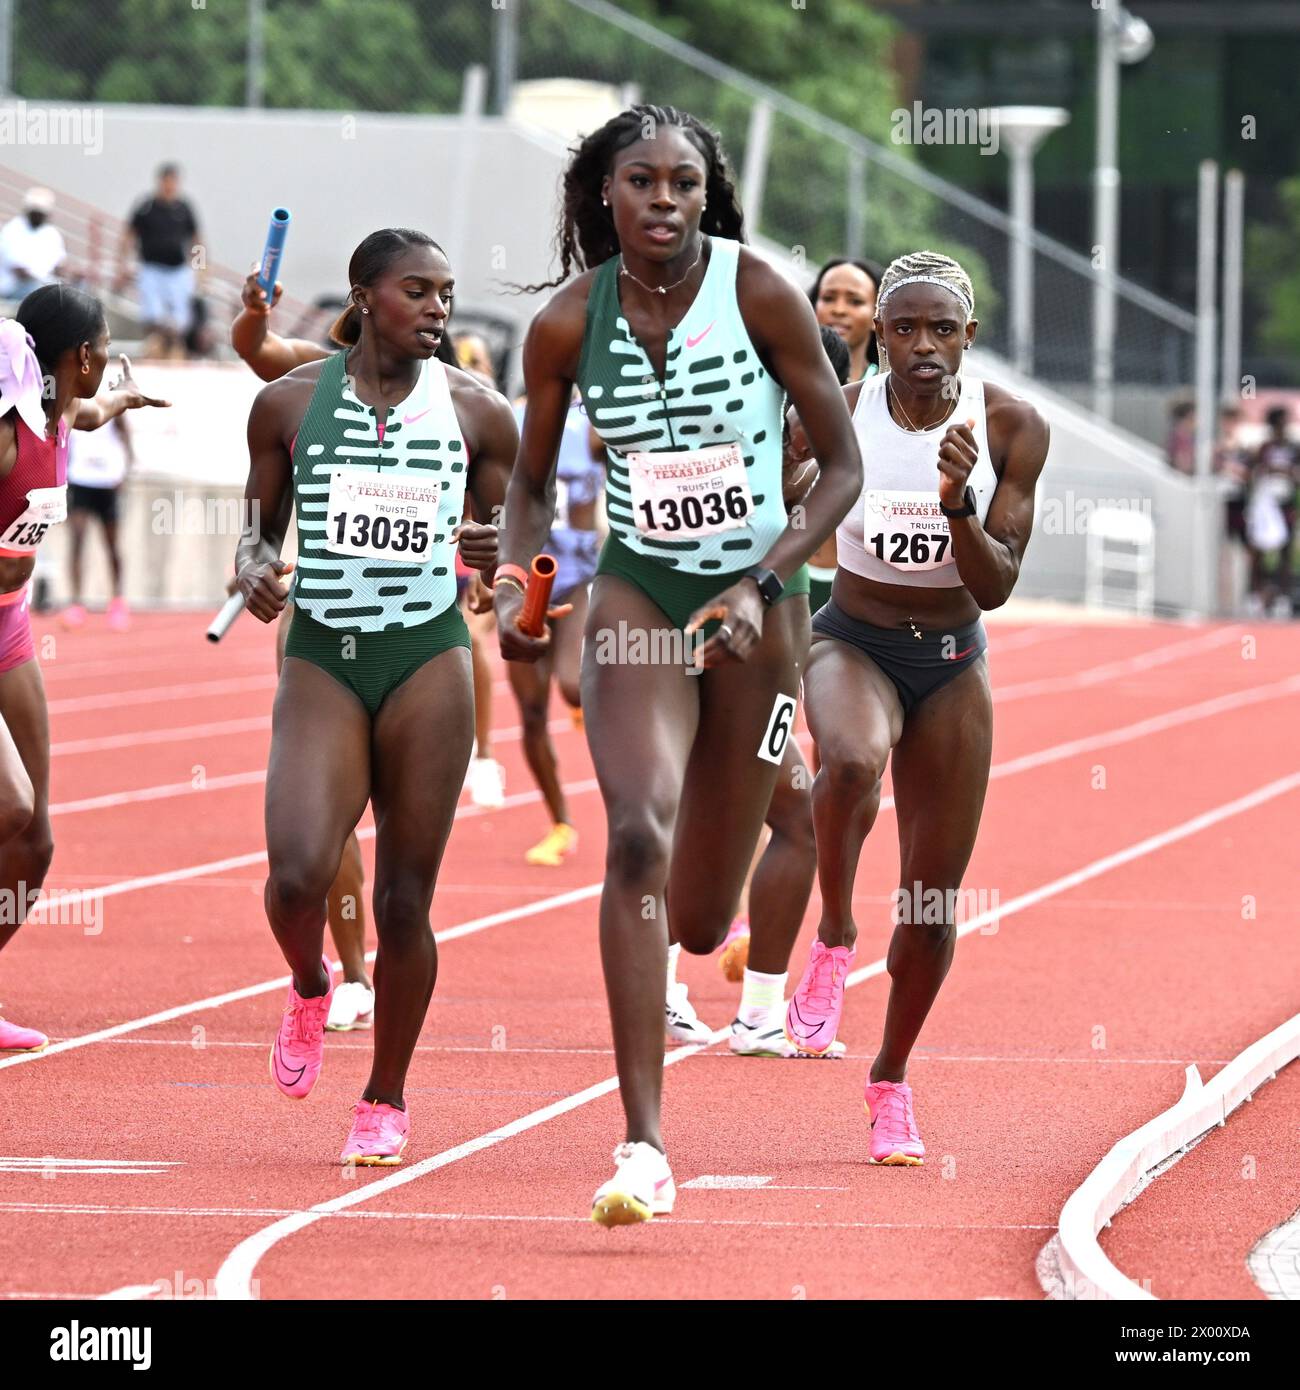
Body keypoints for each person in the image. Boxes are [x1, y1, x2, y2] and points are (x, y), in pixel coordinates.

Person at [496, 105, 862, 1224]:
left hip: (761, 607)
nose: (663, 200)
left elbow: (840, 469)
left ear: (709, 195)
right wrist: (521, 578)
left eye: (684, 184)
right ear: (603, 193)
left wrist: (761, 587)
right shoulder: (565, 323)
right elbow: (524, 485)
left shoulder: (758, 295)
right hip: (640, 591)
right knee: (638, 833)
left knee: (701, 918)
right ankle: (643, 1144)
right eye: (641, 181)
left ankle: (708, 956)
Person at [235, 228, 510, 1164]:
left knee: (403, 901)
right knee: (298, 873)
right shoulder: (288, 404)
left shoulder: (478, 412)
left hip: (428, 659)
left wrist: (489, 556)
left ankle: (385, 1096)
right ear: (364, 295)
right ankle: (312, 981)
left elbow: (497, 544)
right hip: (323, 656)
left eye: (447, 291)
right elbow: (256, 536)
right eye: (418, 291)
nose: (439, 308)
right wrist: (257, 571)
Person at [782, 250, 1050, 1166]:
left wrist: (959, 507)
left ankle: (890, 1079)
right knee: (851, 760)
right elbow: (792, 516)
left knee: (932, 908)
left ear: (969, 337)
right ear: (878, 336)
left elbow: (999, 585)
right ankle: (832, 928)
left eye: (943, 330)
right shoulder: (838, 412)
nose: (924, 346)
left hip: (952, 660)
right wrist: (793, 473)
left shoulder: (1012, 425)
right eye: (905, 328)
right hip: (851, 637)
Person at [0, 286, 168, 1051]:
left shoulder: (64, 416)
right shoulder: (7, 437)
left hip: (10, 630)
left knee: (35, 840)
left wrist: (124, 399)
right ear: (84, 354)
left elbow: (90, 414)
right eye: (104, 350)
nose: (106, 361)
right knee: (9, 802)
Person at [230, 269, 383, 1031]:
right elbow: (257, 351)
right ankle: (349, 973)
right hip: (319, 630)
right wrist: (254, 317)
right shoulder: (310, 384)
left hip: (419, 630)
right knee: (331, 813)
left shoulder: (444, 392)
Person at [717, 322, 851, 979]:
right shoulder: (734, 438)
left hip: (784, 652)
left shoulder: (837, 455)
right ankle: (661, 979)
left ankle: (762, 1012)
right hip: (706, 649)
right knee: (677, 821)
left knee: (798, 815)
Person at [506, 390, 601, 867]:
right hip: (523, 580)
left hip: (576, 578)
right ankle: (560, 821)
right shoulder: (510, 417)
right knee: (531, 711)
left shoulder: (593, 425)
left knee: (573, 685)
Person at [118, 164, 201, 360]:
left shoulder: (184, 208)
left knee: (180, 318)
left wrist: (201, 268)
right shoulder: (146, 207)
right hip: (151, 268)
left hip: (177, 270)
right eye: (166, 181)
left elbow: (197, 240)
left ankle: (176, 352)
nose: (169, 186)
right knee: (153, 314)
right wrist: (123, 263)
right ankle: (154, 350)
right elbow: (129, 235)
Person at [62, 415, 133, 632]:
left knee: (111, 546)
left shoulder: (112, 406)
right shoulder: (72, 402)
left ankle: (118, 601)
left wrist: (125, 470)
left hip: (107, 482)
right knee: (77, 541)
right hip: (80, 480)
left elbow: (125, 435)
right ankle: (76, 603)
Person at [1245, 405, 1298, 618]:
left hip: (1284, 503)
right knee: (1258, 551)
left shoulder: (1293, 448)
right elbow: (1254, 472)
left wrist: (1286, 473)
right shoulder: (1264, 448)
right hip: (1265, 505)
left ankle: (1283, 597)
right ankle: (1257, 595)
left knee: (1285, 551)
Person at [0, 189, 66, 302]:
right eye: (35, 213)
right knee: (39, 292)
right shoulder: (12, 230)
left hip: (43, 286)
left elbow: (59, 265)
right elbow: (19, 271)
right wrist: (45, 282)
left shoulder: (52, 234)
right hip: (12, 289)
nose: (38, 216)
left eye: (41, 214)